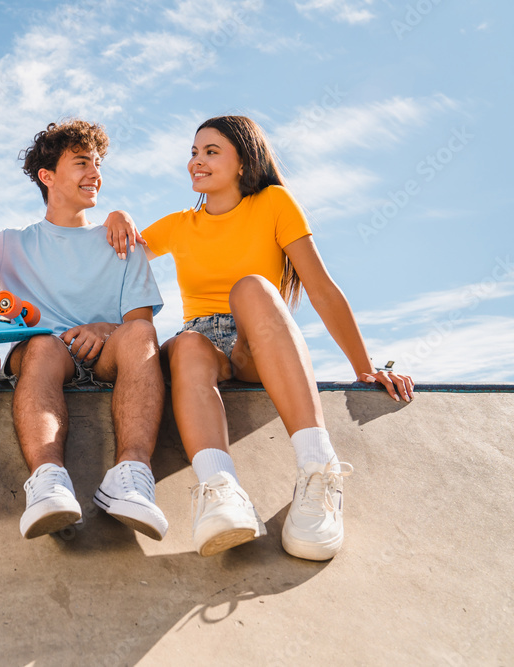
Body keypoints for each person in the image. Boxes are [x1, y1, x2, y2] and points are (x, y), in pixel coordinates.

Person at [105, 115, 415, 560]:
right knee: (188, 345)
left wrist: (366, 369)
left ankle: (317, 470)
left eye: (212, 152)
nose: (197, 161)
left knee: (251, 287)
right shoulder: (178, 225)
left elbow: (323, 290)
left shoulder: (273, 202)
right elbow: (106, 253)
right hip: (201, 342)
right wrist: (118, 216)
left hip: (257, 337)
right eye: (194, 152)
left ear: (244, 164)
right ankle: (220, 489)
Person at [0, 120, 169, 541]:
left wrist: (106, 329)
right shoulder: (8, 244)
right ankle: (49, 481)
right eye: (82, 162)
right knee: (42, 345)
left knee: (140, 335)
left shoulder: (122, 241)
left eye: (98, 163)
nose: (95, 172)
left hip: (106, 356)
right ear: (47, 176)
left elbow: (141, 323)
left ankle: (131, 476)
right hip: (43, 356)